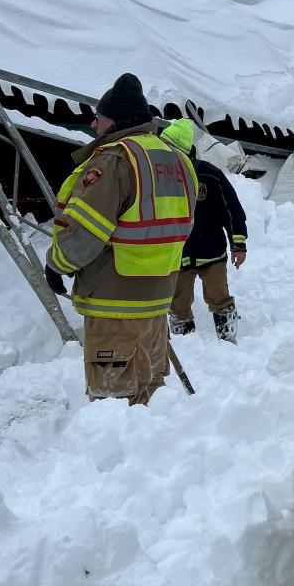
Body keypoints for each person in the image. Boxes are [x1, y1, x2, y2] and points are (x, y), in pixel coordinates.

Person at [45, 74, 198, 406]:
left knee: (114, 407)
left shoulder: (116, 159)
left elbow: (86, 231)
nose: (94, 124)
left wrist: (56, 264)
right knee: (150, 399)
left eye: (99, 117)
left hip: (114, 304)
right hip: (157, 303)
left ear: (115, 121)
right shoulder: (177, 160)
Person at [160, 119, 248, 344]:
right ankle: (186, 345)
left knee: (219, 297)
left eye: (168, 149)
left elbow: (232, 210)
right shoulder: (158, 178)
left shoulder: (209, 175)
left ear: (181, 151)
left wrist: (238, 244)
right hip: (177, 255)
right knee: (177, 303)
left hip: (211, 252)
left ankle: (228, 340)